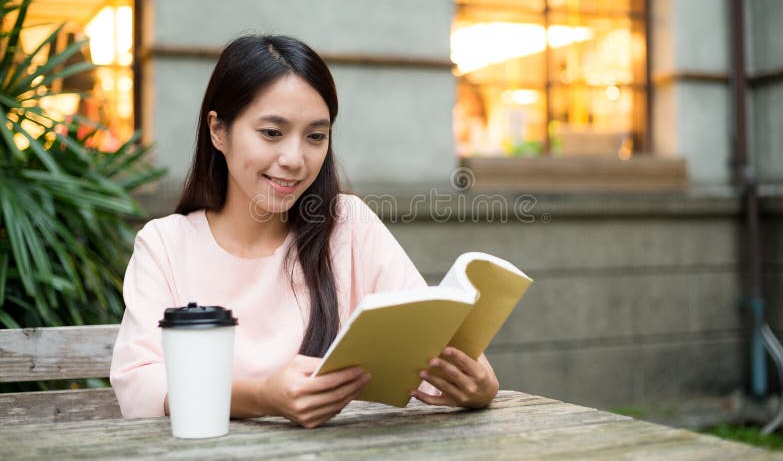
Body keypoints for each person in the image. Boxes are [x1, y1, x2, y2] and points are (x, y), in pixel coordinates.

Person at [109, 35, 499, 429]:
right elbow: (138, 382)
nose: (294, 160)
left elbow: (428, 335)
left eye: (315, 136)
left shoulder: (348, 225)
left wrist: (475, 382)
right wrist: (261, 397)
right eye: (272, 133)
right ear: (218, 131)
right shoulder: (165, 244)